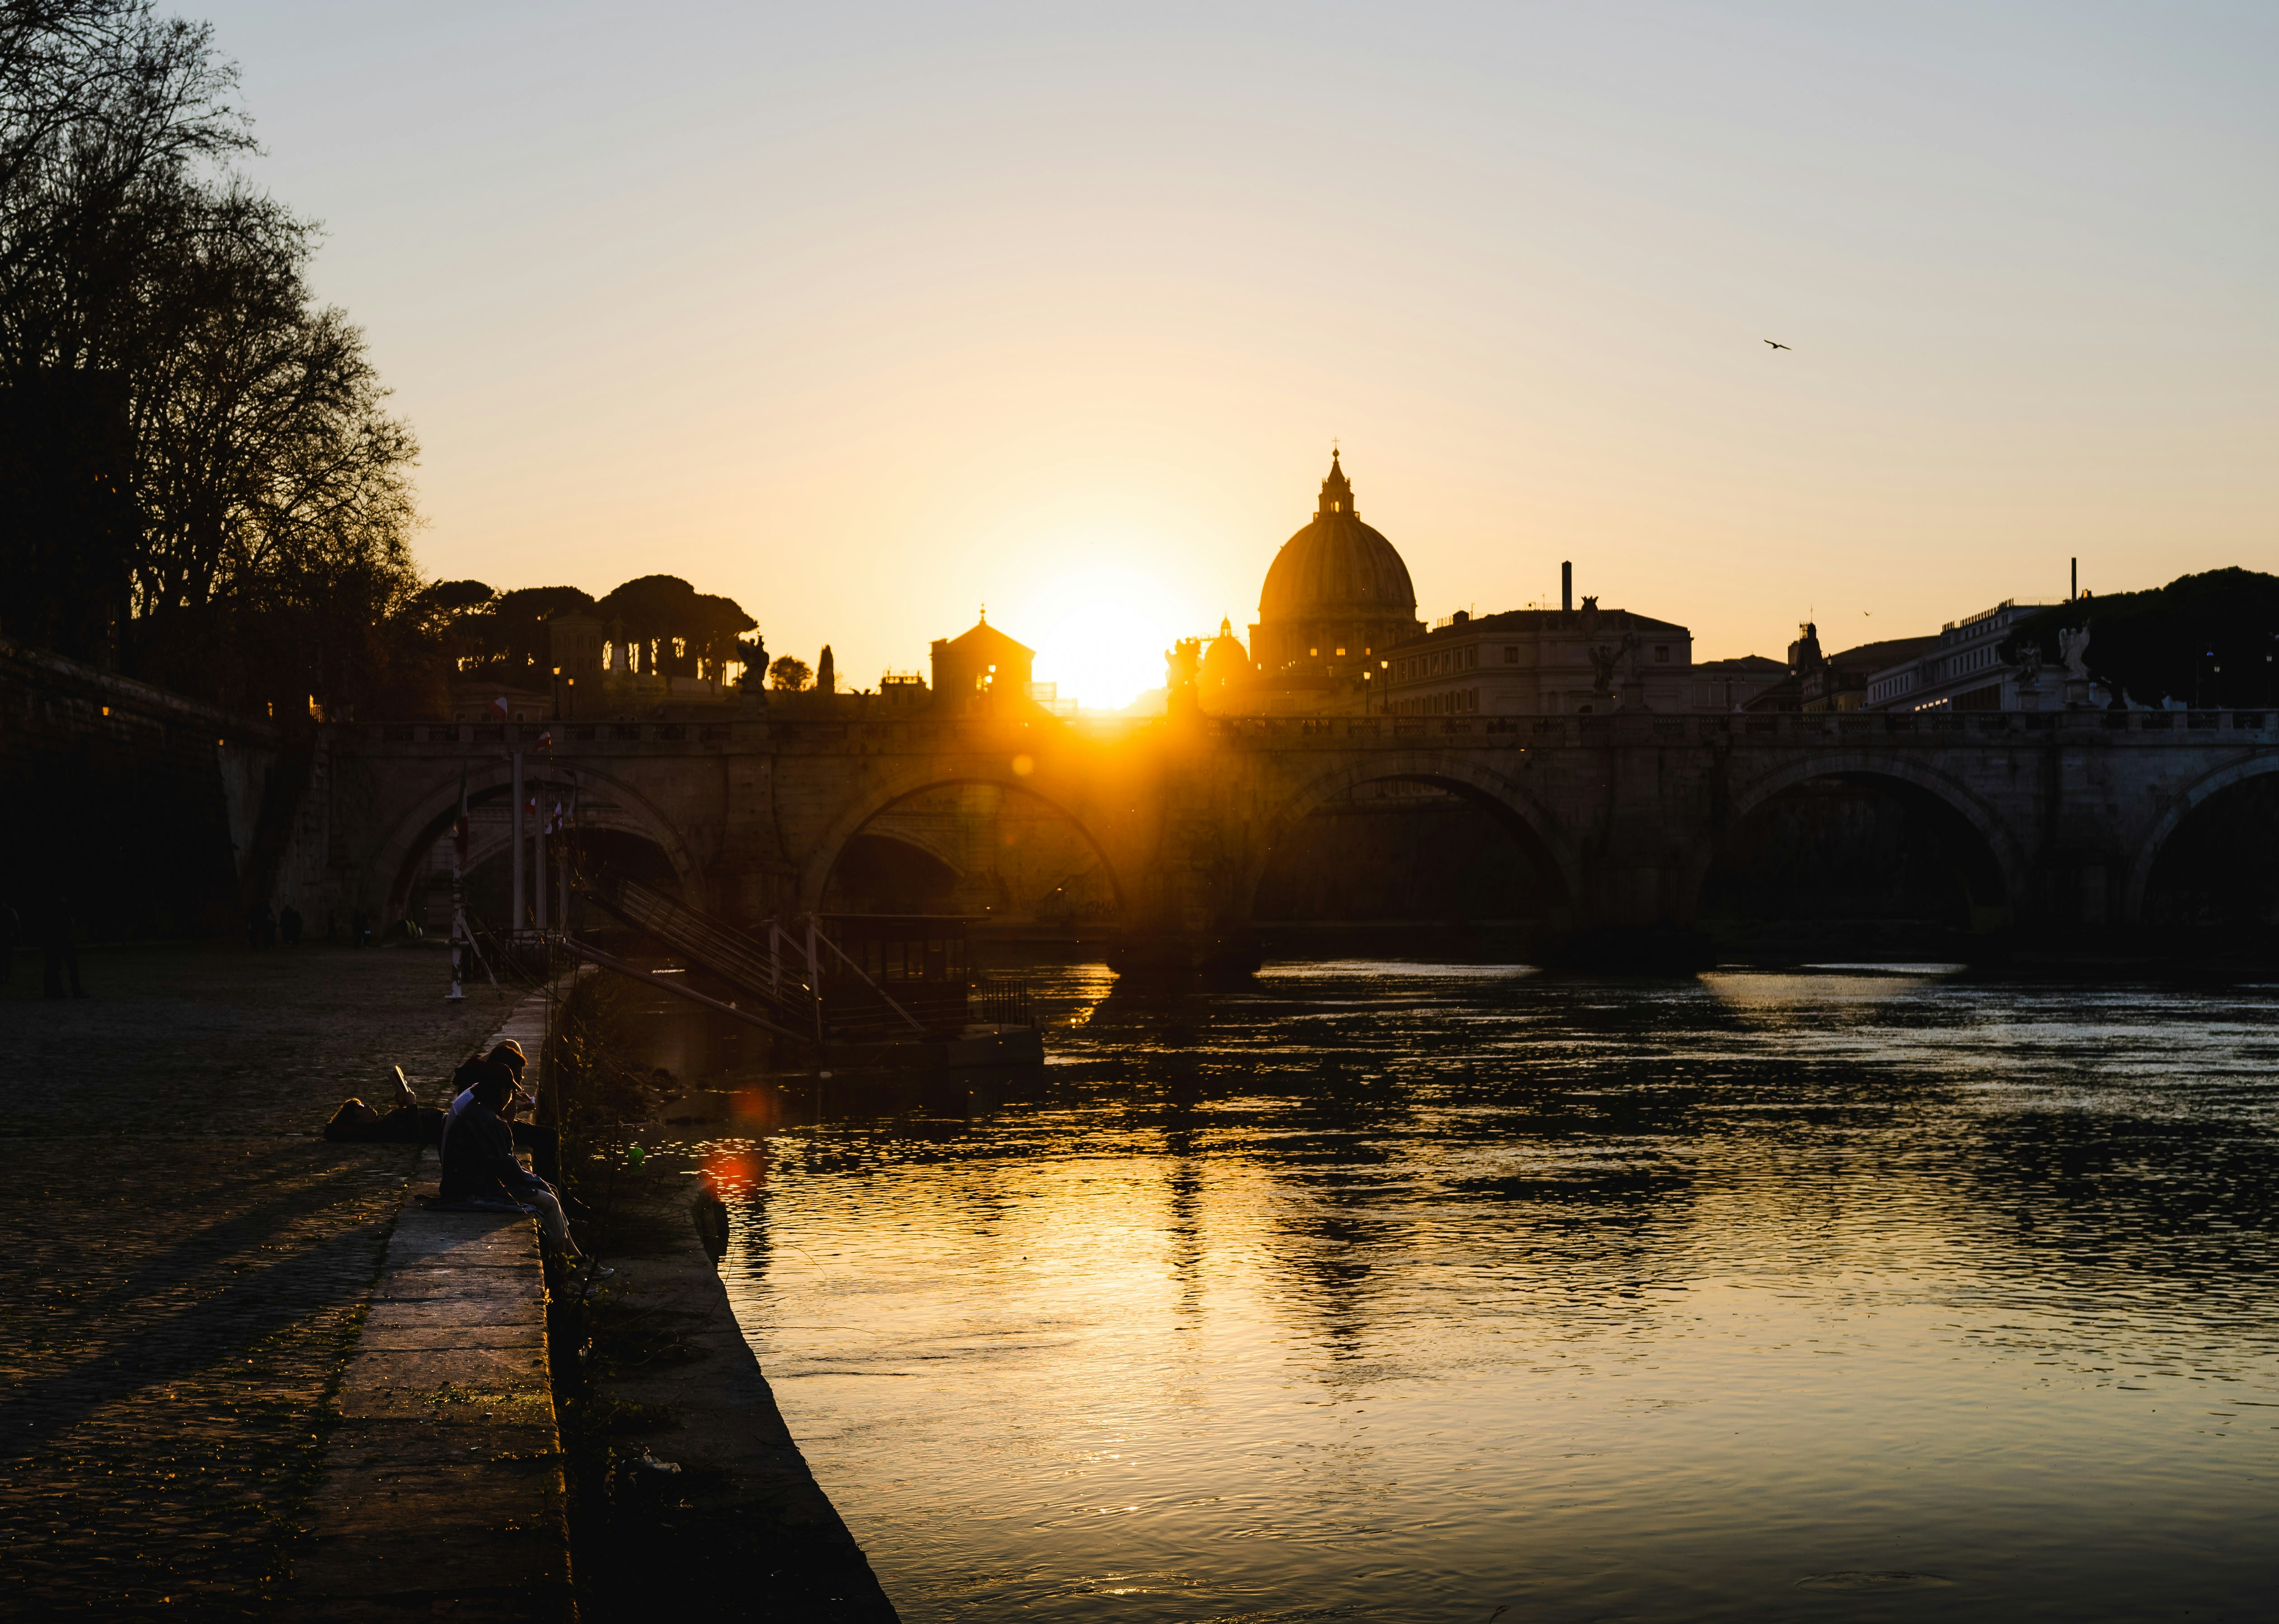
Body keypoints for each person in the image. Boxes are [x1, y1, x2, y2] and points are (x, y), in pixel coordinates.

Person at [440, 1066, 583, 1260]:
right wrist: (535, 1181)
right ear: (502, 1092)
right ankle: (568, 1261)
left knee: (548, 1192)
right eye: (511, 1092)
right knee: (549, 1201)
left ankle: (572, 1257)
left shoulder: (477, 1111)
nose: (512, 1097)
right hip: (474, 1188)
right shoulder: (487, 1120)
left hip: (469, 1181)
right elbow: (506, 1168)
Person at [324, 1066, 445, 1144]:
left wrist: (402, 1106)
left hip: (443, 1121)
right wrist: (411, 1105)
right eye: (361, 1107)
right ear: (357, 1120)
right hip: (442, 1126)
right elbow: (416, 1136)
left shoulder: (381, 1123)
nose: (367, 1105)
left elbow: (405, 1126)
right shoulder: (380, 1128)